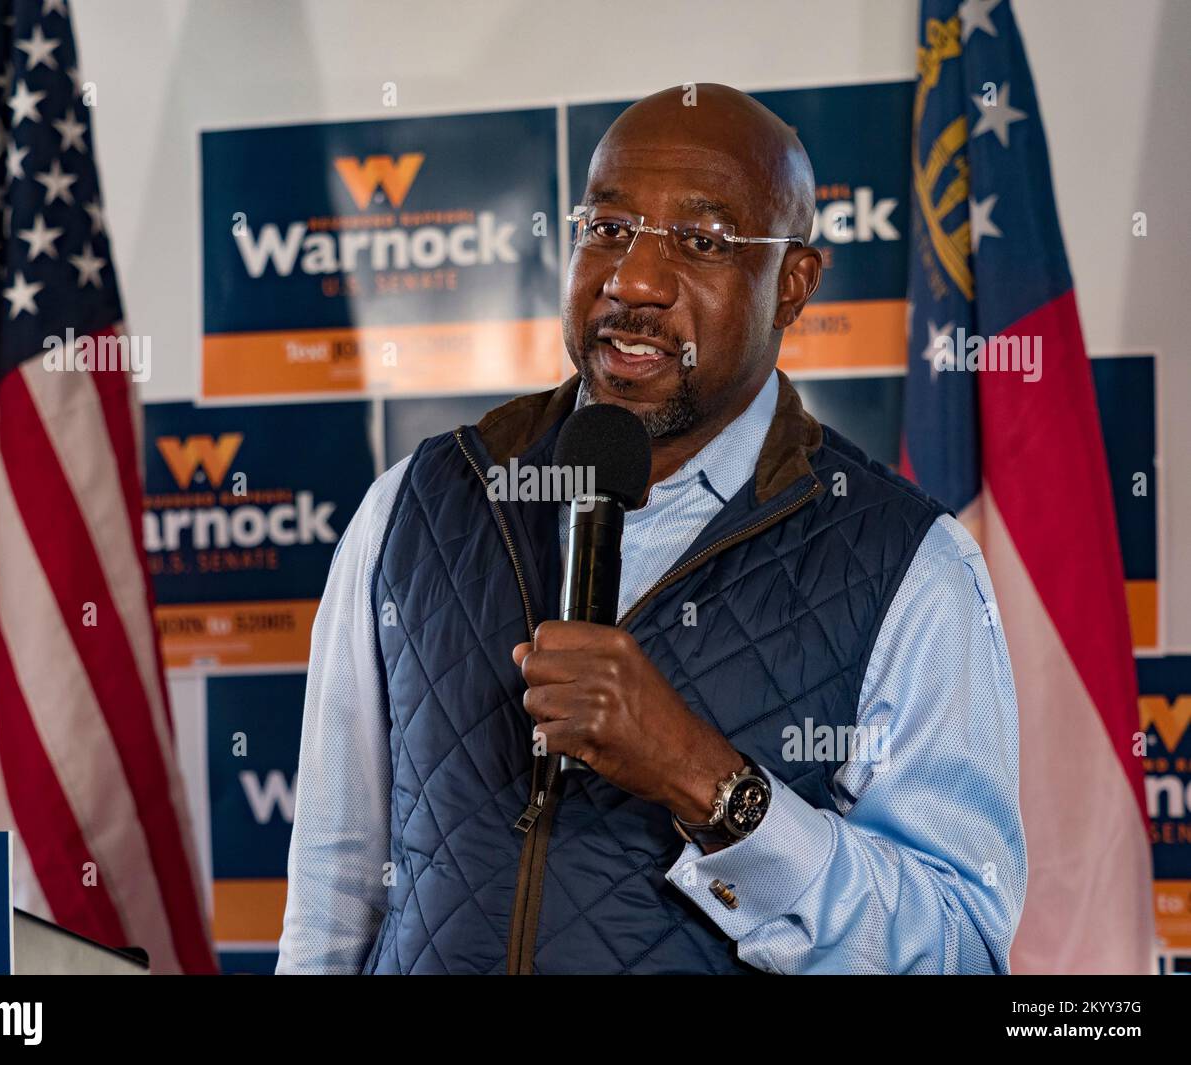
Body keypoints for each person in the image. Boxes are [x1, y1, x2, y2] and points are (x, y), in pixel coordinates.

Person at [277, 83, 1026, 975]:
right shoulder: (416, 505)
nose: (633, 280)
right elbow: (333, 893)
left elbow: (958, 951)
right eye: (607, 229)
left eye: (702, 242)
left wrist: (712, 785)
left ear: (793, 284)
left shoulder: (912, 567)